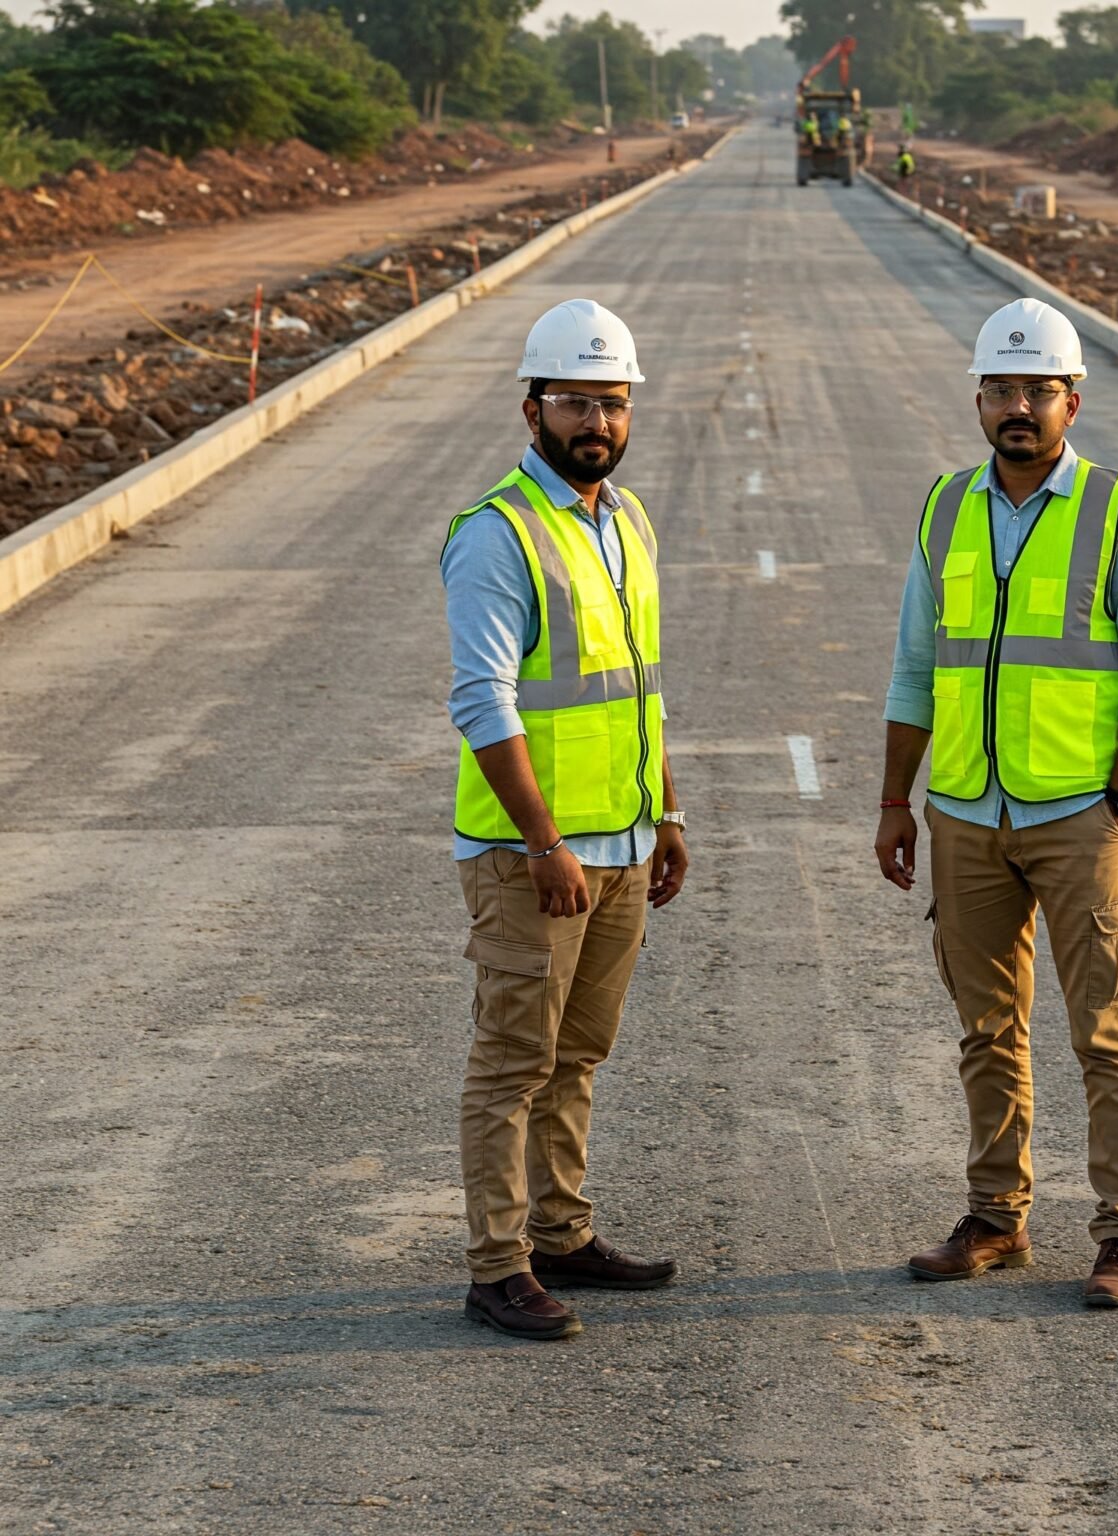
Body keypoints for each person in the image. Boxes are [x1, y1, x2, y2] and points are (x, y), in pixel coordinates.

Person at [875, 298, 1118, 1308]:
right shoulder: (945, 508)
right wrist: (895, 800)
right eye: (1001, 390)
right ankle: (997, 1215)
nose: (1018, 408)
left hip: (1075, 815)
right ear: (978, 399)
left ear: (1071, 400)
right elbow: (916, 670)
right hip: (965, 810)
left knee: (1105, 1028)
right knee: (986, 1028)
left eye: (1036, 391)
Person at [440, 298, 690, 1341]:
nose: (598, 421)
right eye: (578, 401)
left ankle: (560, 1230)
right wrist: (542, 841)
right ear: (532, 407)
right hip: (531, 856)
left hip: (622, 845)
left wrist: (666, 810)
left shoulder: (625, 521)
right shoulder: (497, 534)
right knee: (513, 1063)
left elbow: (638, 686)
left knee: (577, 1055)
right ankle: (497, 1265)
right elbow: (483, 701)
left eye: (615, 402)